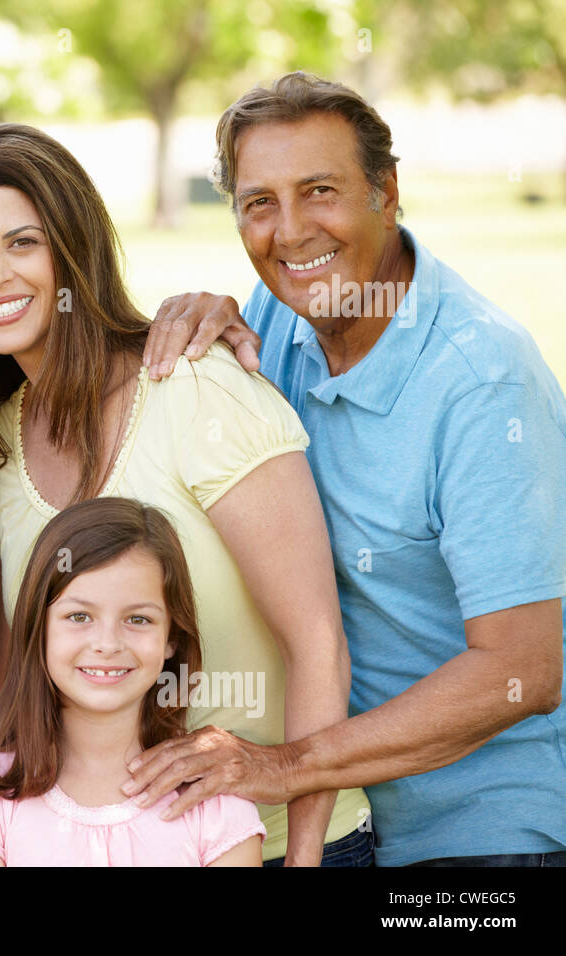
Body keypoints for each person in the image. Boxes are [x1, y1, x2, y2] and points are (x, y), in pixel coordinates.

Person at [128, 72, 566, 867]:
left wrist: (282, 766)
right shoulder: (275, 322)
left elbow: (526, 668)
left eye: (320, 191)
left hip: (486, 835)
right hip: (349, 819)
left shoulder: (481, 382)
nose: (291, 232)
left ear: (386, 192)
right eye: (259, 202)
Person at [0, 122, 372, 866]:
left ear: (73, 248)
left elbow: (317, 642)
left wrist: (306, 855)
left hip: (274, 842)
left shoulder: (196, 388)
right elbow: (16, 679)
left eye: (23, 243)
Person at [0, 497, 263, 866]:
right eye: (79, 616)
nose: (108, 644)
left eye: (138, 619)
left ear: (172, 637)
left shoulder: (216, 802)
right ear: (38, 628)